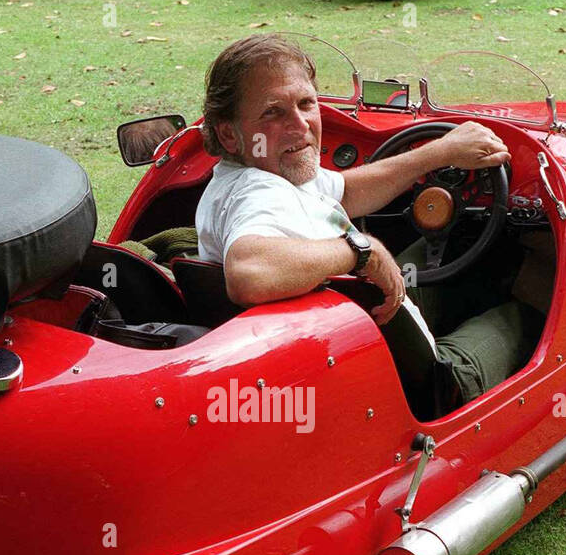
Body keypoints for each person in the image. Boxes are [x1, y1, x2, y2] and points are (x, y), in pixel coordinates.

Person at [194, 33, 538, 404]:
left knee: (461, 244)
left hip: (356, 335)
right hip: (417, 381)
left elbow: (346, 190)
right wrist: (363, 251)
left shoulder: (259, 173)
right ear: (228, 134)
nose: (301, 125)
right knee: (530, 312)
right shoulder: (259, 191)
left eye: (306, 103)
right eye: (273, 112)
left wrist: (439, 152)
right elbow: (248, 272)